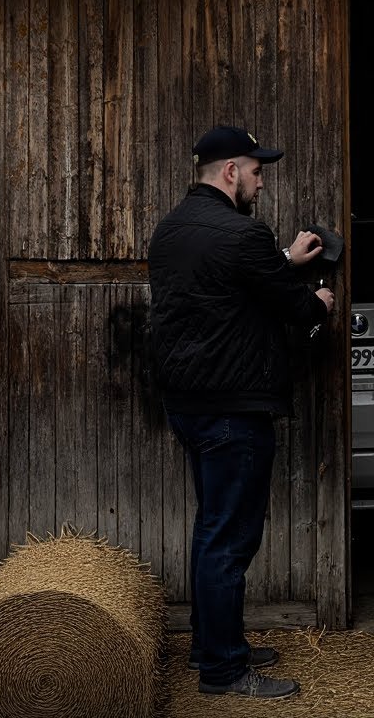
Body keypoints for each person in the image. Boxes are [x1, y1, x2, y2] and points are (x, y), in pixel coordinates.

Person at [148, 125, 335, 699]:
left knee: (212, 529)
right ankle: (225, 671)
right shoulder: (243, 234)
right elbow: (290, 305)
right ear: (231, 172)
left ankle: (212, 644)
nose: (260, 181)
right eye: (257, 170)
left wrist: (281, 258)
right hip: (234, 407)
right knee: (229, 539)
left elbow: (221, 281)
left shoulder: (171, 230)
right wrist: (318, 303)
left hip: (189, 404)